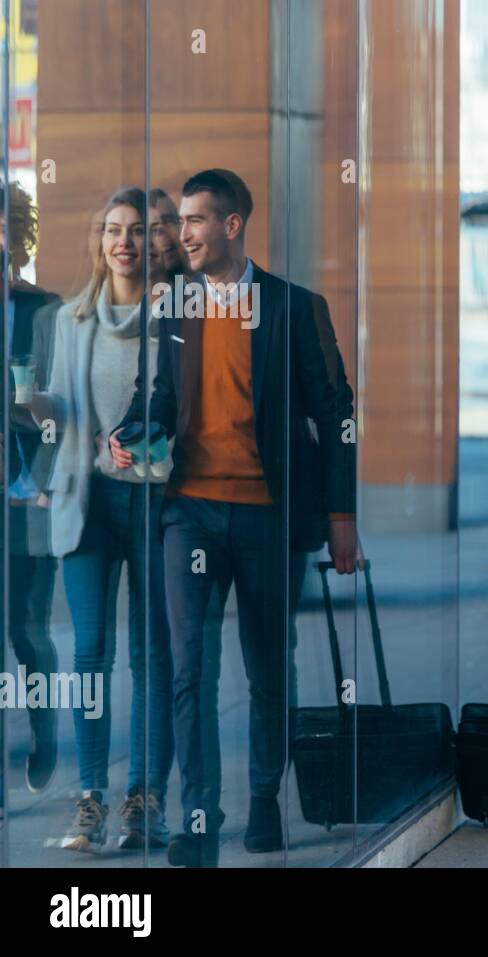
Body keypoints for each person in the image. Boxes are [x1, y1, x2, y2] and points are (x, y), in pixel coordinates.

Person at [111, 169, 358, 867]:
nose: (181, 233)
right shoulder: (174, 306)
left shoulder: (291, 307)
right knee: (189, 671)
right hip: (187, 512)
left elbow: (336, 414)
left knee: (267, 669)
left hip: (269, 518)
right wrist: (127, 435)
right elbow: (154, 398)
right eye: (180, 220)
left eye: (195, 220)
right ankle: (199, 817)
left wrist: (342, 516)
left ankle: (262, 799)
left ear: (232, 224)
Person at [21, 188, 189, 853]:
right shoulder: (72, 318)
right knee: (92, 653)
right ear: (100, 241)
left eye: (143, 231)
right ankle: (90, 797)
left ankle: (145, 801)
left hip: (157, 501)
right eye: (115, 230)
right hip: (87, 501)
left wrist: (154, 443)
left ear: (162, 243)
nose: (127, 242)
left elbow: (193, 409)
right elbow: (65, 409)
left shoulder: (179, 315)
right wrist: (37, 404)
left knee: (153, 656)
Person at [2, 181, 62, 796]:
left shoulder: (46, 311)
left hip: (26, 498)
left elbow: (62, 413)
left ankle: (45, 735)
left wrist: (40, 483)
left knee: (28, 632)